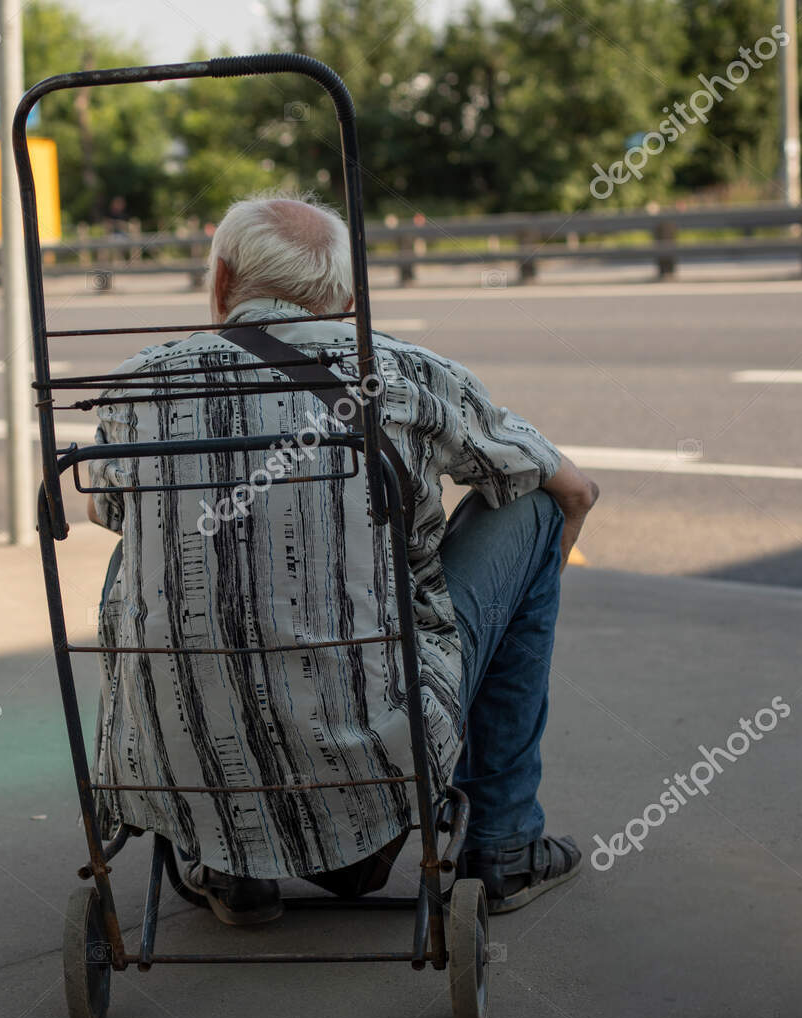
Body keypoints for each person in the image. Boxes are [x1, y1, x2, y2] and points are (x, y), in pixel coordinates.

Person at [85, 192, 598, 925]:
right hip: (379, 750)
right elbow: (573, 490)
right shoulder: (399, 372)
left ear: (222, 282)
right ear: (349, 298)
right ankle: (505, 843)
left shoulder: (139, 385)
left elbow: (105, 511)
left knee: (141, 548)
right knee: (538, 506)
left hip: (177, 765)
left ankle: (234, 861)